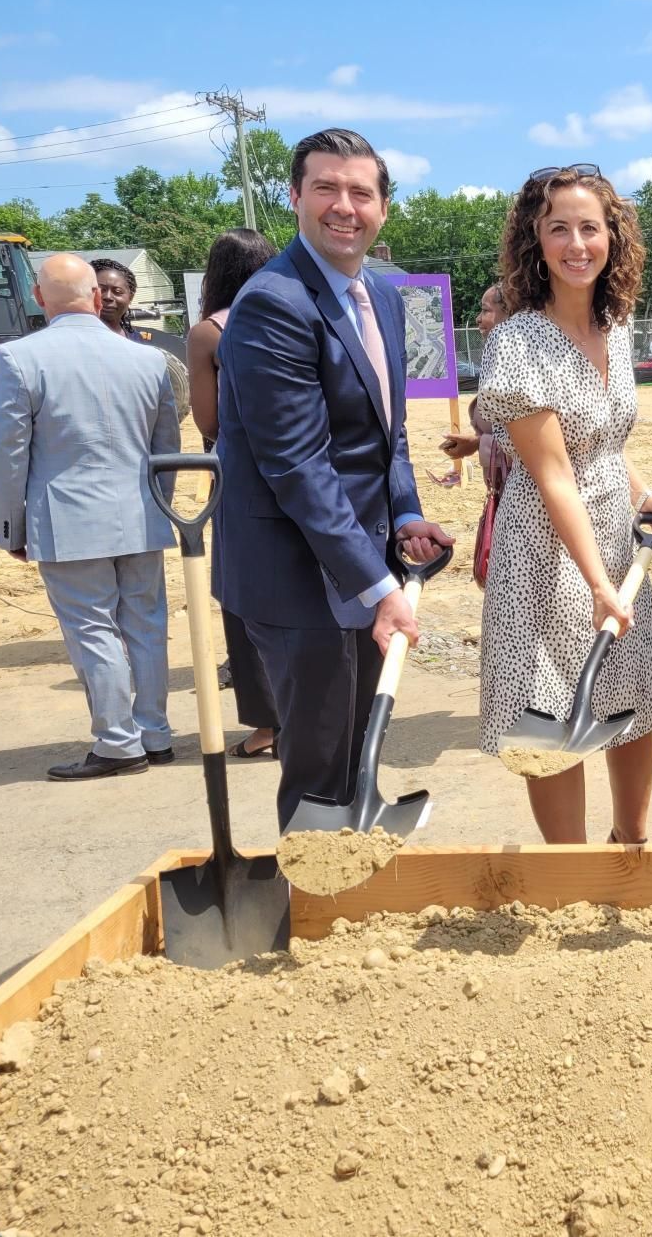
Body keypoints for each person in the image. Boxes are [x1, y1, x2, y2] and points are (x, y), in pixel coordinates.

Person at [214, 128, 454, 830]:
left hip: (360, 556)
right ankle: (315, 881)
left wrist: (404, 513)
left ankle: (353, 867)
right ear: (295, 197)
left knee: (355, 749)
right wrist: (379, 586)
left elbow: (387, 431)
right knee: (319, 768)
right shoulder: (273, 302)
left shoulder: (380, 296)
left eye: (360, 192)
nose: (344, 206)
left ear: (383, 207)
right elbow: (297, 465)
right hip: (294, 574)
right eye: (326, 188)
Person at [475, 164, 652, 843]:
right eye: (557, 228)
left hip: (616, 537)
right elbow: (554, 474)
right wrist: (598, 583)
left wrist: (645, 496)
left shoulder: (614, 326)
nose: (576, 244)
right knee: (548, 708)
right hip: (544, 551)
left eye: (589, 227)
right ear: (535, 240)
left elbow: (604, 443)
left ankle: (631, 847)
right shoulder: (516, 342)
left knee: (633, 693)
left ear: (611, 237)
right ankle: (570, 871)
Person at [0, 253, 181, 779]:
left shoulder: (18, 357)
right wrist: (160, 504)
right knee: (146, 625)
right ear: (97, 297)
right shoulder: (148, 360)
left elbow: (8, 453)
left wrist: (11, 527)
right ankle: (155, 733)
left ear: (38, 298)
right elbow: (167, 447)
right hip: (142, 515)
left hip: (67, 520)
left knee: (92, 629)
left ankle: (118, 743)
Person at [188, 227, 279, 760]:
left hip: (243, 476)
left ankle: (268, 724)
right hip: (311, 470)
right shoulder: (299, 314)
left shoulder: (211, 332)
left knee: (244, 597)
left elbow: (209, 420)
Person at [442, 282, 509, 485]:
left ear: (510, 314)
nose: (478, 318)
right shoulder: (499, 361)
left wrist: (478, 444)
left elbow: (527, 446)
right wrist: (476, 443)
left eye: (485, 310)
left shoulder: (521, 370)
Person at [92, 258, 147, 342]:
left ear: (131, 297)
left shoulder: (138, 342)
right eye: (101, 290)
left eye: (117, 291)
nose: (108, 297)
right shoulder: (74, 337)